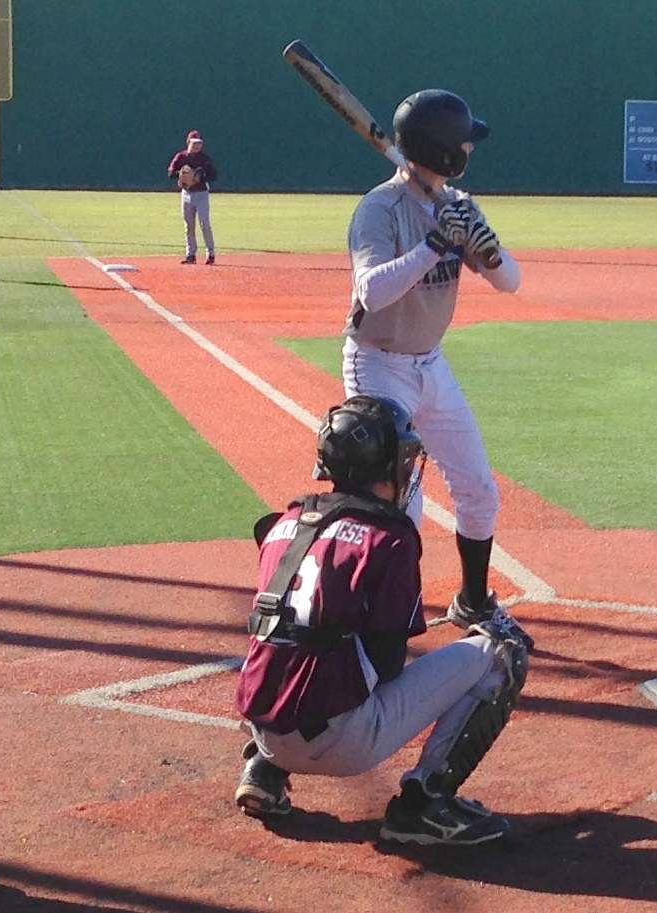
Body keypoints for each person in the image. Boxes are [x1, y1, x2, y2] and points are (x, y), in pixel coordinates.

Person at [234, 394, 529, 845]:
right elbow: (387, 665)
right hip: (339, 744)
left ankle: (264, 769)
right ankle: (423, 805)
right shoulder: (388, 537)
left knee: (289, 642)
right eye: (404, 457)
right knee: (500, 650)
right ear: (387, 464)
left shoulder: (282, 522)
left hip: (263, 728)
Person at [341, 89, 532, 648]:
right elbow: (372, 292)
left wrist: (486, 248)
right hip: (378, 365)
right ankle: (384, 624)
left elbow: (511, 282)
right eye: (464, 142)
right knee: (402, 507)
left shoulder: (458, 204)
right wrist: (434, 244)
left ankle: (473, 600)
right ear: (445, 151)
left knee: (479, 490)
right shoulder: (379, 209)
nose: (471, 148)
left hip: (431, 364)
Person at [167, 129, 218, 264]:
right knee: (189, 225)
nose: (197, 146)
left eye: (199, 143)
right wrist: (180, 174)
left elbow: (214, 175)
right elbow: (170, 172)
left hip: (201, 194)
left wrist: (201, 177)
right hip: (186, 194)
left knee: (204, 223)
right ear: (188, 142)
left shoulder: (205, 159)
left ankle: (211, 254)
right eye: (194, 143)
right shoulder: (181, 156)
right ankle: (190, 255)